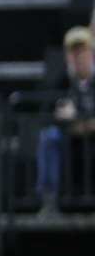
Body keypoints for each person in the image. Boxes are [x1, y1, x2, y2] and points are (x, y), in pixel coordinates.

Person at [36, 26, 94, 215]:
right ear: (67, 56)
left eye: (83, 51)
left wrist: (82, 123)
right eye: (74, 52)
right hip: (68, 140)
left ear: (91, 54)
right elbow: (46, 116)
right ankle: (49, 201)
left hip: (92, 140)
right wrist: (62, 119)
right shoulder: (57, 81)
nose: (79, 57)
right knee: (49, 136)